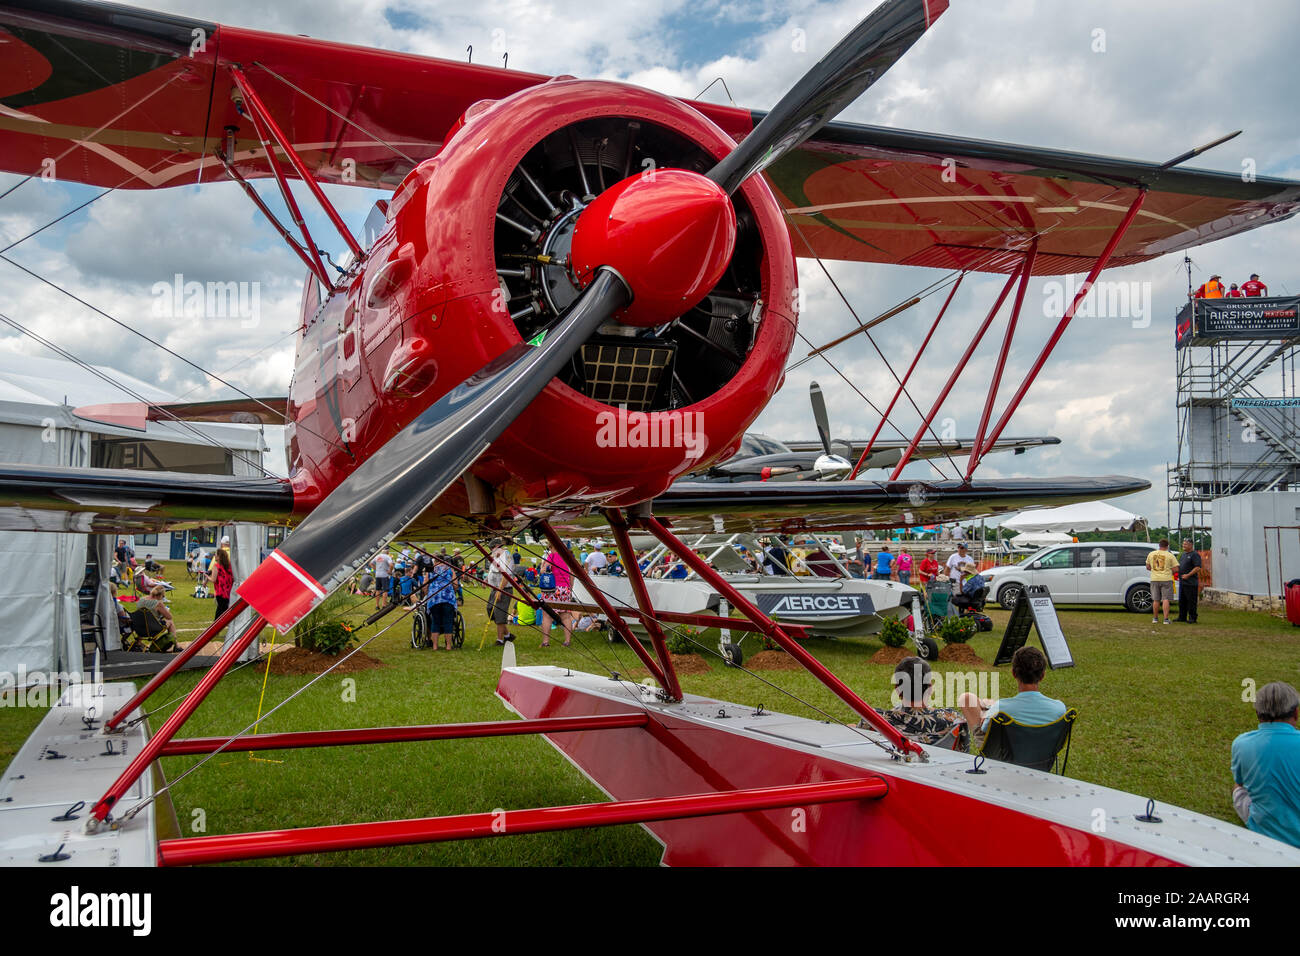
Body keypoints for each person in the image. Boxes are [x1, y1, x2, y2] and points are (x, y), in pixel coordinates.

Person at [1231, 681, 1300, 848]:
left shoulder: (1241, 743)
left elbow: (1240, 783)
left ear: (1257, 713)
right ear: (1296, 713)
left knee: (1238, 788)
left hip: (1263, 829)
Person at [959, 645, 1066, 752]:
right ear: (1042, 675)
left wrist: (988, 714)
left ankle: (988, 705)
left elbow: (985, 728)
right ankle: (988, 704)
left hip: (1004, 759)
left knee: (966, 699)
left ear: (1014, 673)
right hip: (1041, 759)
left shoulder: (1001, 709)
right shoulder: (1059, 709)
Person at [863, 656, 967, 749]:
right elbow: (963, 752)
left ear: (897, 689)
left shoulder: (874, 719)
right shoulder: (954, 719)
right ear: (930, 688)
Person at [540, 546, 576, 647]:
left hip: (552, 589)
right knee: (566, 616)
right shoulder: (567, 557)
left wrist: (542, 566)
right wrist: (570, 589)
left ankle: (546, 641)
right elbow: (571, 575)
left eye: (549, 548)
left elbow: (544, 571)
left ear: (552, 547)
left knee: (547, 616)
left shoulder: (551, 556)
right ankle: (567, 641)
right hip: (565, 589)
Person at [423, 558, 459, 650]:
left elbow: (425, 585)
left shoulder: (430, 569)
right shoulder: (450, 569)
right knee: (448, 621)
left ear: (435, 561)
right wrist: (452, 592)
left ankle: (435, 646)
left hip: (434, 598)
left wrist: (428, 593)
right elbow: (455, 584)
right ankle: (448, 646)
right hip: (448, 598)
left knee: (435, 621)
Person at [488, 538, 517, 646]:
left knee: (500, 614)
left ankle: (500, 640)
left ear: (498, 546)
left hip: (503, 589)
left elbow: (506, 575)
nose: (491, 550)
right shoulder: (496, 556)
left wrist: (500, 591)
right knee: (490, 610)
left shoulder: (506, 556)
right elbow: (492, 570)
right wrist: (486, 580)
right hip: (494, 588)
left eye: (492, 548)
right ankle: (508, 635)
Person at [136, 584, 178, 650]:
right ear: (160, 595)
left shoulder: (141, 600)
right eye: (163, 596)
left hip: (139, 628)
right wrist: (166, 610)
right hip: (152, 629)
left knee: (144, 620)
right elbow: (169, 617)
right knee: (170, 622)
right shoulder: (158, 603)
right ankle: (176, 646)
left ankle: (138, 643)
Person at [1145, 539, 1176, 624]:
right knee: (1165, 599)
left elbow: (1147, 567)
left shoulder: (1151, 554)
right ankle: (1166, 619)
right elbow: (1176, 569)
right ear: (1167, 546)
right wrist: (1169, 571)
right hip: (1166, 579)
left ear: (1159, 545)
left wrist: (1155, 570)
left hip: (1154, 579)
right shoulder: (1170, 555)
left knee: (1156, 599)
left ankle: (1155, 618)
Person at [1176, 539, 1203, 624]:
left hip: (1190, 582)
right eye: (1183, 544)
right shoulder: (1183, 555)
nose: (1183, 546)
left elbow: (1197, 567)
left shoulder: (1194, 555)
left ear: (1191, 545)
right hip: (1182, 582)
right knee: (1182, 601)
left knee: (1191, 601)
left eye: (1185, 544)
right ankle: (1182, 616)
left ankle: (1192, 617)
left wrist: (1188, 575)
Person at [207, 546, 234, 621]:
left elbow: (213, 579)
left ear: (219, 557)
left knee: (220, 611)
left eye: (216, 555)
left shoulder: (216, 566)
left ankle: (214, 628)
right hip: (228, 592)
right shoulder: (229, 566)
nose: (215, 556)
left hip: (220, 592)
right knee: (223, 610)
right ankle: (217, 626)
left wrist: (207, 577)